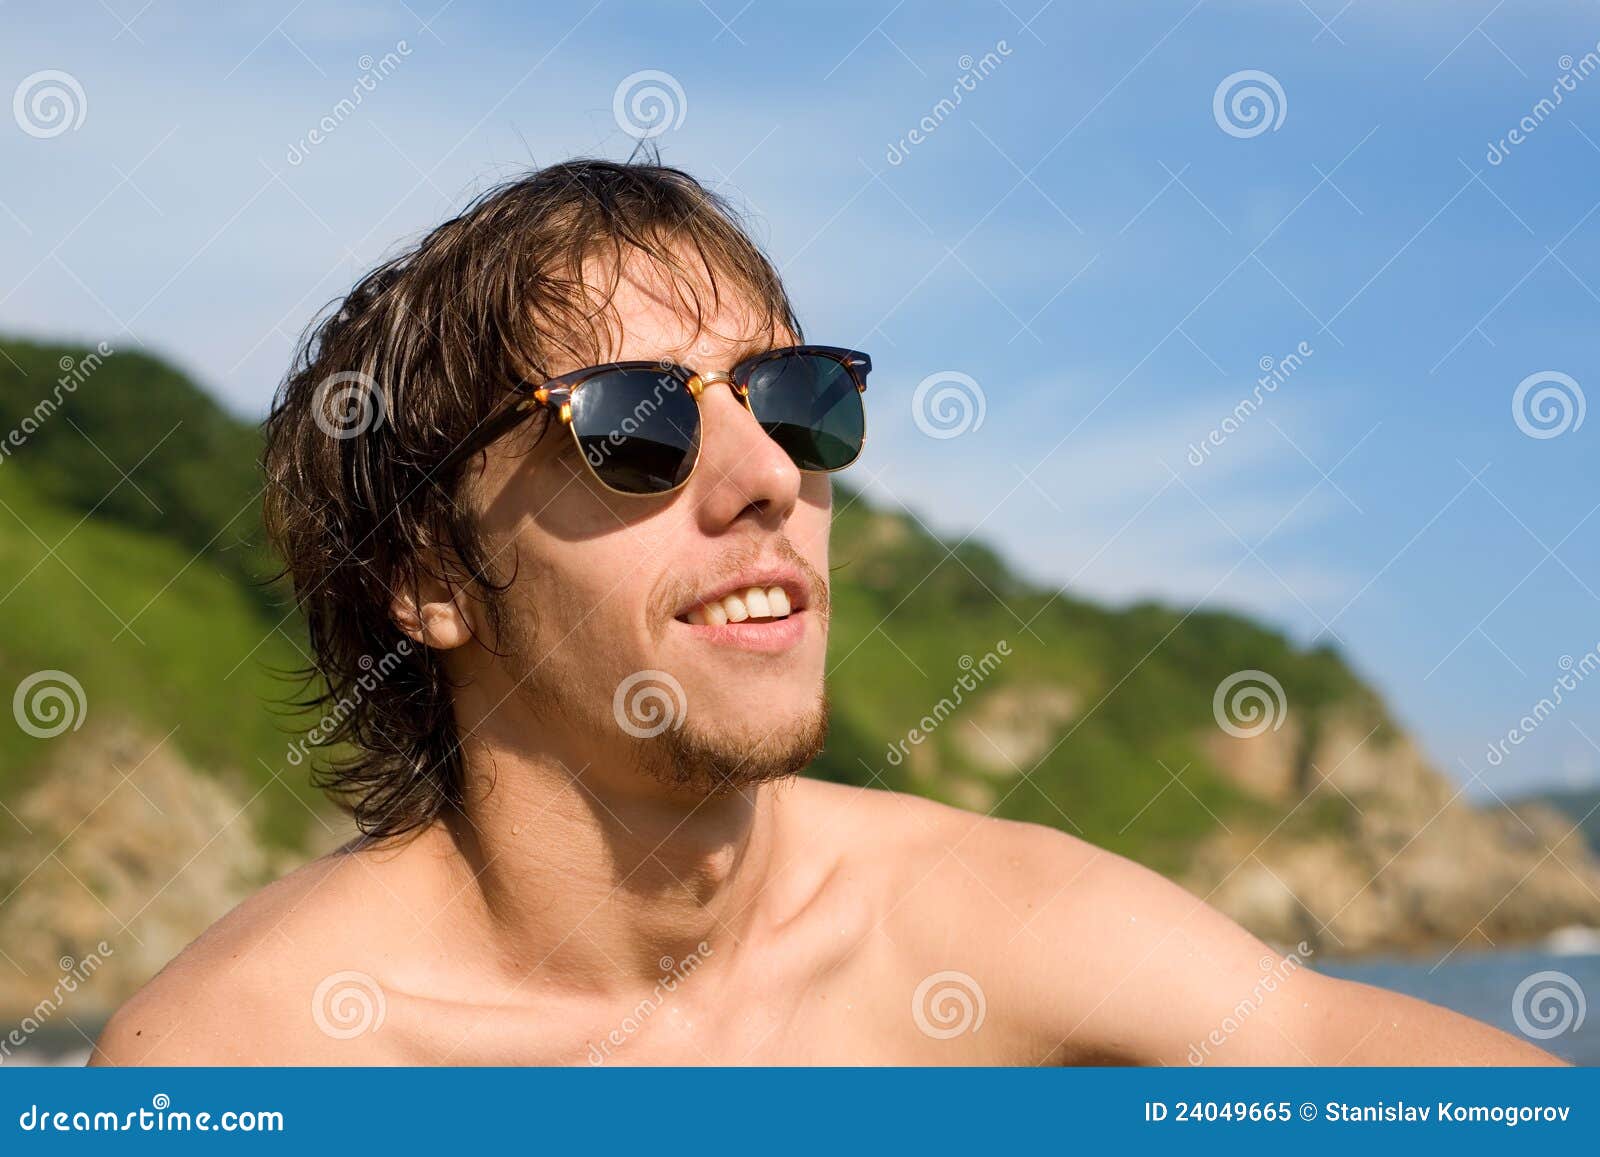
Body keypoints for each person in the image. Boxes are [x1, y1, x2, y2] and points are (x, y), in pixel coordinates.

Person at [92, 159, 1558, 1066]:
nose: (763, 475)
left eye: (799, 401)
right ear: (427, 574)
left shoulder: (978, 932)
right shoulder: (254, 1058)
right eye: (637, 426)